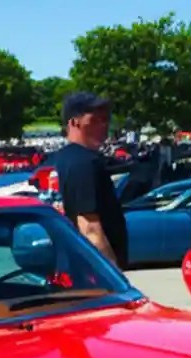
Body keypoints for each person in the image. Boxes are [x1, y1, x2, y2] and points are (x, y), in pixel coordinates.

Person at [50, 92, 127, 267]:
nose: (103, 125)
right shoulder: (84, 162)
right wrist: (114, 278)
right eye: (95, 120)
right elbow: (90, 228)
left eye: (106, 119)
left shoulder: (62, 158)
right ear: (73, 122)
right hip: (91, 272)